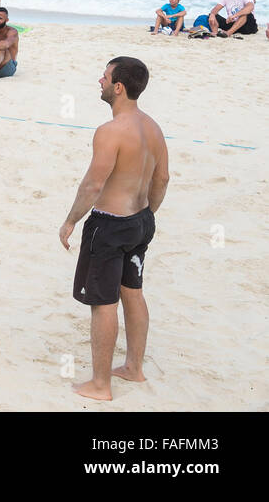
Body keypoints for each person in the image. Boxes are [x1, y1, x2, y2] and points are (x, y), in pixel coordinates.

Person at [59, 56, 168, 401]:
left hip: (110, 225)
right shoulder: (152, 127)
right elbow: (162, 177)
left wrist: (71, 220)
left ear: (118, 87)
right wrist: (147, 213)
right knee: (132, 292)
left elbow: (93, 185)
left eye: (104, 77)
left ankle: (100, 385)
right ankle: (134, 369)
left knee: (103, 303)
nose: (100, 81)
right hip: (141, 221)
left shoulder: (110, 132)